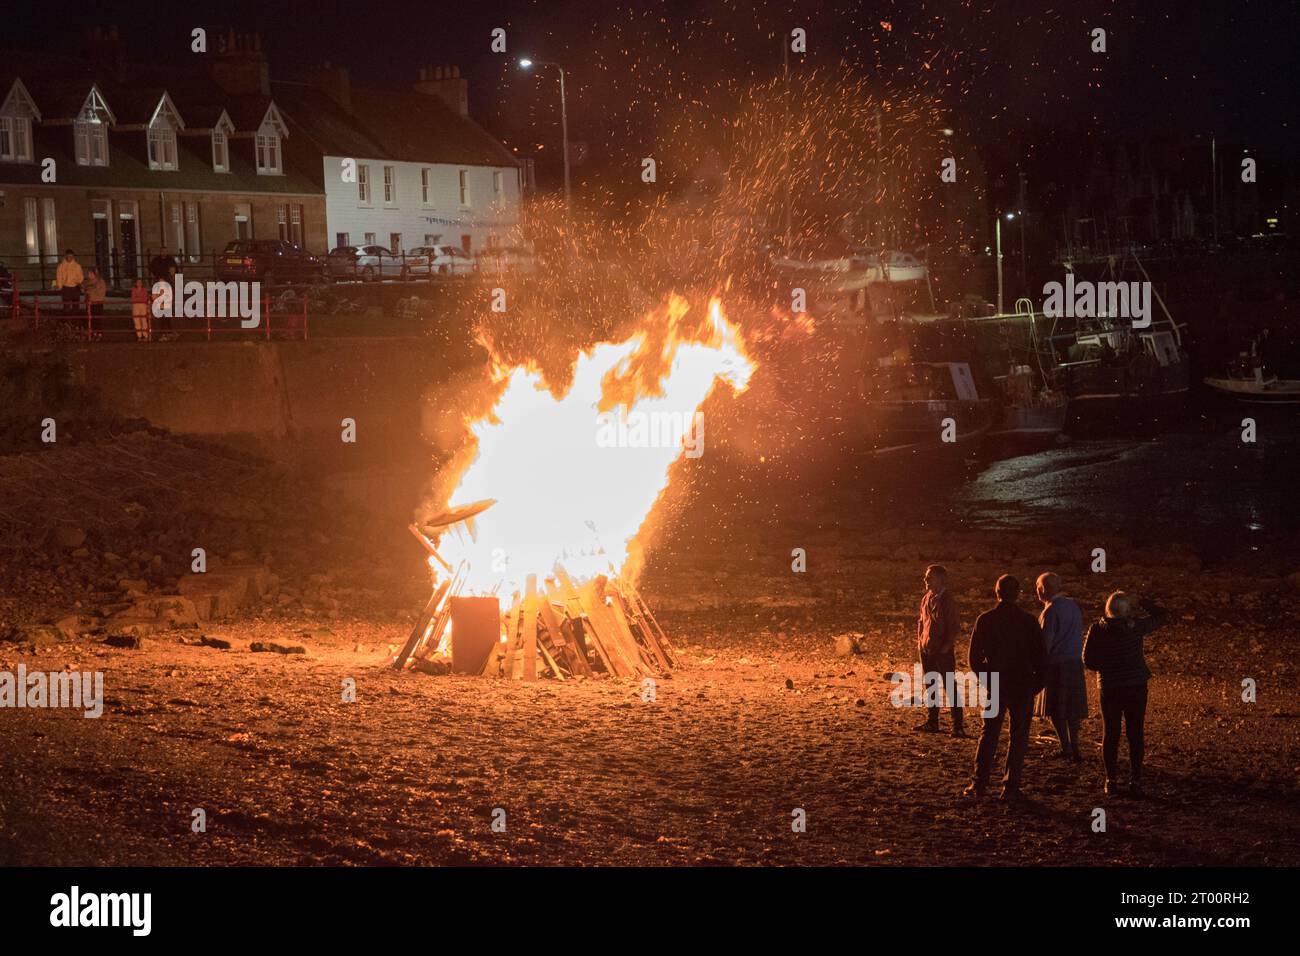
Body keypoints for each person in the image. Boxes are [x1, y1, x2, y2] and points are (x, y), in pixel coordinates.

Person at [963, 575, 1046, 802]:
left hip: (997, 683)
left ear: (996, 592)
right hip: (1022, 684)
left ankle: (979, 783)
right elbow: (1041, 658)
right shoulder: (1028, 621)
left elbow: (974, 658)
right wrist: (1036, 685)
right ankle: (1011, 787)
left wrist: (987, 679)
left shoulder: (986, 620)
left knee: (989, 734)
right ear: (1018, 593)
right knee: (1019, 737)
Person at [1084, 591, 1168, 797]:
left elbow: (1088, 661)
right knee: (1135, 733)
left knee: (1110, 733)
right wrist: (1144, 601)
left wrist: (1107, 665)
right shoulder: (1136, 627)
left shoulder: (1097, 629)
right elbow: (1162, 616)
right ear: (1126, 610)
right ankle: (1135, 780)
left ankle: (1110, 780)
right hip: (1136, 686)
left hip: (1109, 686)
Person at [1036, 571, 1086, 761]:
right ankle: (1075, 746)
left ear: (1042, 589)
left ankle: (1065, 747)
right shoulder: (1072, 606)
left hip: (1056, 665)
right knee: (1073, 710)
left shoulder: (1050, 611)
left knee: (1056, 709)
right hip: (1074, 662)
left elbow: (1045, 644)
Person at [915, 564, 964, 736]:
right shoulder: (927, 598)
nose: (925, 580)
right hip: (927, 648)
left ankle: (957, 726)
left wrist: (945, 647)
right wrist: (920, 642)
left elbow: (954, 627)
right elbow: (921, 621)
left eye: (930, 578)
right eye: (926, 578)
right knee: (931, 686)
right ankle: (932, 721)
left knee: (949, 687)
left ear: (941, 579)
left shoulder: (947, 600)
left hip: (941, 651)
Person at [149, 248, 178, 335]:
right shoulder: (156, 260)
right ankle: (164, 331)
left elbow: (174, 270)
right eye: (162, 251)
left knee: (167, 312)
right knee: (162, 312)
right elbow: (151, 268)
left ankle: (167, 330)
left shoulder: (170, 260)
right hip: (161, 289)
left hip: (167, 286)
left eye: (165, 251)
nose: (164, 253)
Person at [56, 249, 84, 317]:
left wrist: (77, 281)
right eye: (68, 256)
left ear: (73, 257)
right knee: (66, 306)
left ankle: (76, 320)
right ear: (65, 256)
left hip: (75, 287)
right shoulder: (61, 266)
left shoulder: (77, 266)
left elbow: (81, 276)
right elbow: (59, 277)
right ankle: (67, 321)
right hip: (66, 288)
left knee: (76, 306)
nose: (70, 258)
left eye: (71, 257)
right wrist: (60, 286)